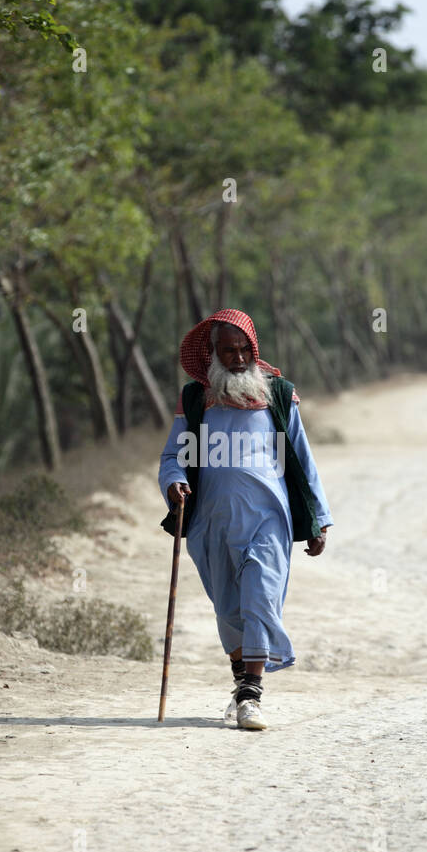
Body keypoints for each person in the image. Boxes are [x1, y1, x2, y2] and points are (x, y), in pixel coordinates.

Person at [158, 308, 333, 730]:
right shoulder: (197, 400)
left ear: (254, 352)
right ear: (213, 354)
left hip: (269, 519)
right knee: (230, 610)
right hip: (211, 523)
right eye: (228, 351)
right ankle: (242, 683)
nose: (238, 359)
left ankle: (252, 696)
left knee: (260, 598)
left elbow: (302, 458)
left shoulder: (278, 395)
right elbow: (172, 457)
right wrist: (175, 481)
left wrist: (319, 518)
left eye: (244, 351)